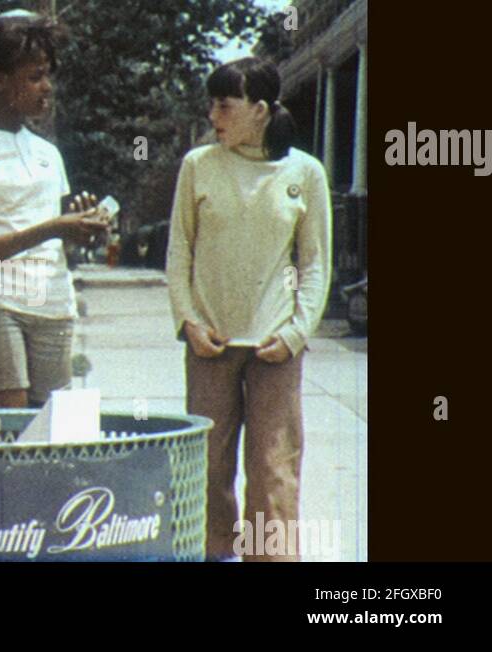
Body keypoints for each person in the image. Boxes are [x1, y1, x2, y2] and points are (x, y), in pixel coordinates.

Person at [165, 57, 333, 561]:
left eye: (224, 105)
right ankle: (212, 556)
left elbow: (315, 262)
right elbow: (179, 252)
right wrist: (189, 322)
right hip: (210, 344)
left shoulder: (305, 172)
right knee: (208, 465)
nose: (214, 115)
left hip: (274, 348)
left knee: (273, 467)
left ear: (259, 110)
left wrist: (297, 333)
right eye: (211, 104)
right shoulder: (199, 165)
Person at [0, 12, 108, 409]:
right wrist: (52, 227)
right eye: (34, 77)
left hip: (53, 304)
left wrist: (86, 229)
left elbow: (62, 242)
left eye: (48, 75)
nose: (46, 88)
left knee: (51, 432)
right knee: (14, 429)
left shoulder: (48, 153)